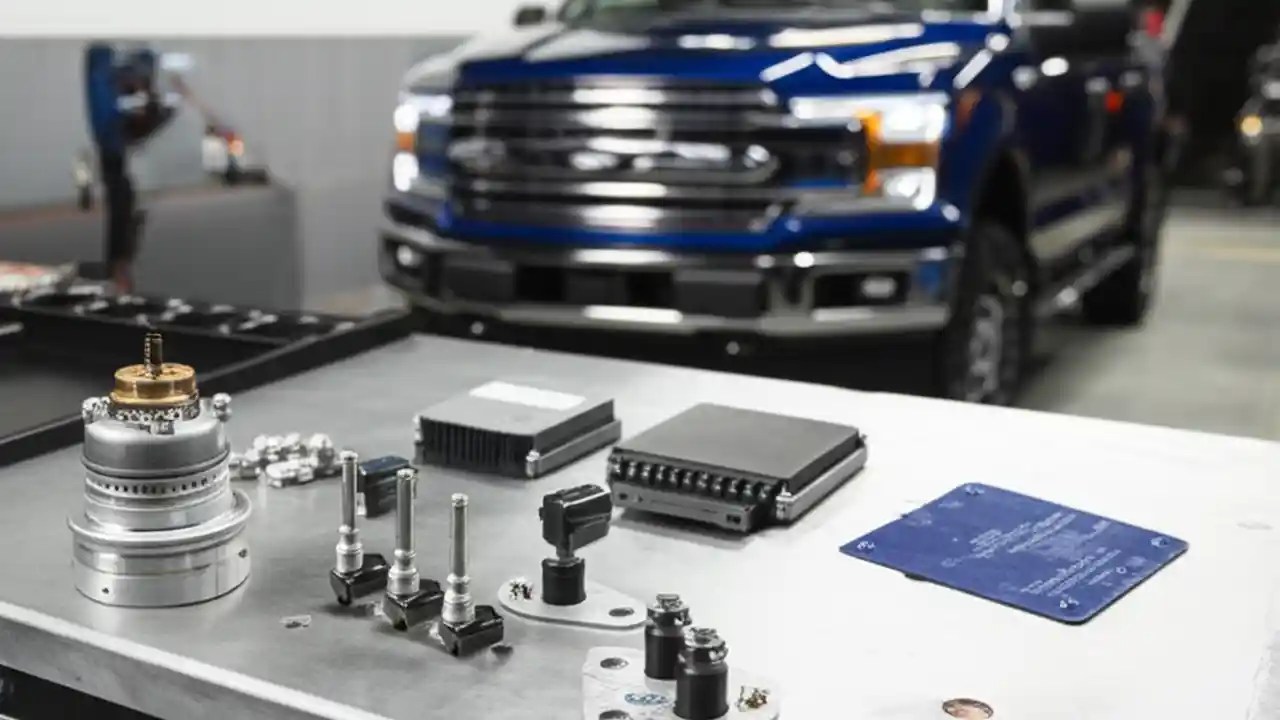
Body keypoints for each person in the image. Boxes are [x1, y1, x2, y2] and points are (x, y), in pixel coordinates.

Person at [83, 44, 184, 294]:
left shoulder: (120, 92)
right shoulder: (113, 88)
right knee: (123, 206)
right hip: (117, 151)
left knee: (124, 207)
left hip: (119, 152)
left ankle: (119, 264)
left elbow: (143, 120)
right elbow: (137, 119)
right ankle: (118, 266)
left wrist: (163, 107)